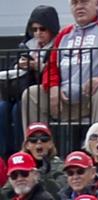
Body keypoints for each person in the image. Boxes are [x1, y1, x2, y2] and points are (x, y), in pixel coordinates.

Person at [22, 0, 98, 135]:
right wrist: (52, 87)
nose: (79, 7)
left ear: (96, 3)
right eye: (74, 3)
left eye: (84, 1)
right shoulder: (65, 33)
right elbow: (52, 67)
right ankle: (37, 149)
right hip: (69, 97)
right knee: (32, 95)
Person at [0, 9, 59, 160]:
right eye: (34, 29)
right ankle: (6, 155)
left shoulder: (58, 46)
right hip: (19, 91)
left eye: (42, 29)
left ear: (51, 28)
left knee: (18, 110)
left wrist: (38, 66)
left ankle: (23, 150)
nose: (38, 33)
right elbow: (14, 67)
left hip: (39, 92)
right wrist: (19, 64)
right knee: (2, 108)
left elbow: (57, 71)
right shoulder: (25, 46)